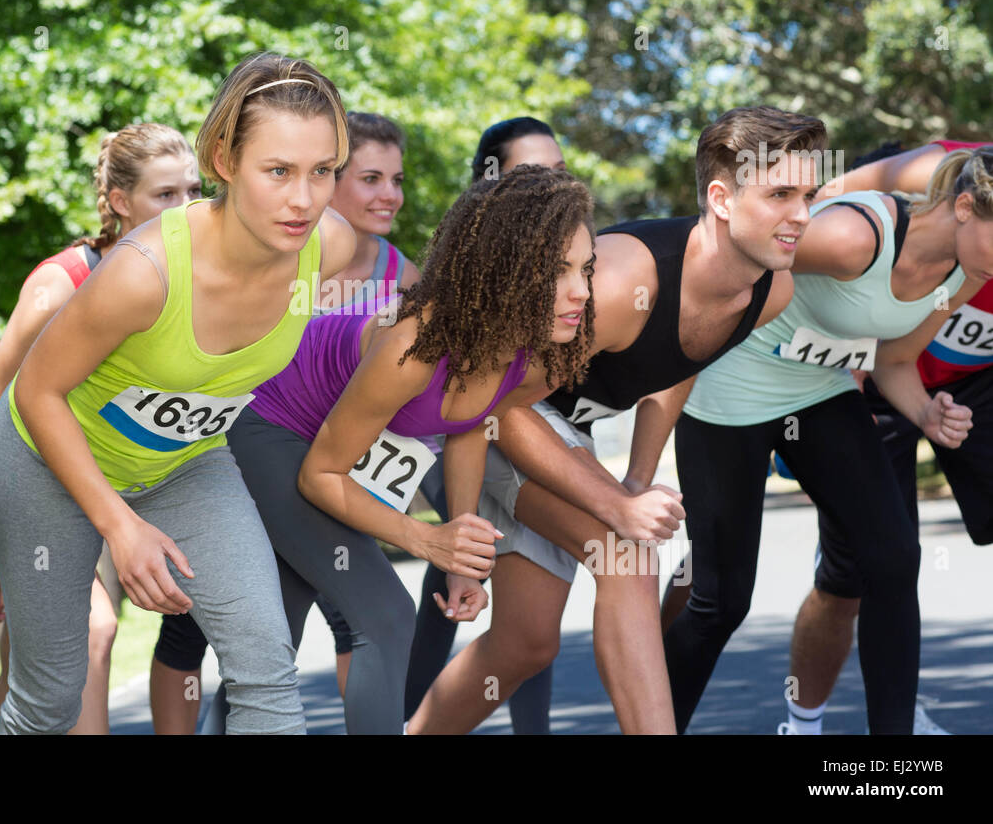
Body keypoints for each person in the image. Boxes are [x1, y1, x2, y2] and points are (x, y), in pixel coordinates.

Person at [408, 105, 824, 735]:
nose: (800, 214)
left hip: (552, 429)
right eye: (780, 194)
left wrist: (637, 476)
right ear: (721, 197)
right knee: (627, 552)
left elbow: (683, 360)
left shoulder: (770, 289)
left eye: (810, 194)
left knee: (525, 645)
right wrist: (615, 504)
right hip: (482, 418)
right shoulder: (624, 281)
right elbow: (489, 399)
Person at [0, 52, 355, 735]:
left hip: (185, 463)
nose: (304, 199)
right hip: (50, 460)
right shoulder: (144, 271)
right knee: (49, 700)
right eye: (278, 171)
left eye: (323, 171)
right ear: (223, 160)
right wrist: (119, 528)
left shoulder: (327, 246)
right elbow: (35, 392)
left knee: (266, 665)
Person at [201, 164, 598, 735]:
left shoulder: (536, 354)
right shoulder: (412, 343)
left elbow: (468, 425)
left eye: (584, 268)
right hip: (269, 425)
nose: (580, 291)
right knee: (384, 617)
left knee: (275, 640)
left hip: (334, 449)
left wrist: (462, 551)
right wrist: (424, 537)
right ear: (501, 268)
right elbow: (321, 476)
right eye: (557, 271)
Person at [663, 141, 993, 735]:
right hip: (732, 389)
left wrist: (926, 413)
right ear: (966, 207)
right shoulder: (852, 238)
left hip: (817, 392)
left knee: (893, 562)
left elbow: (895, 359)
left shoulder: (965, 272)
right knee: (720, 602)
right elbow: (717, 256)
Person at [153, 111, 424, 725]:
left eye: (396, 180)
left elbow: (417, 408)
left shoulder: (401, 276)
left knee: (287, 636)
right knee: (216, 633)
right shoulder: (284, 249)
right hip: (250, 441)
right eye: (371, 178)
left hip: (330, 458)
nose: (389, 195)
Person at [0, 124, 202, 735]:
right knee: (91, 631)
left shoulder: (193, 277)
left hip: (105, 477)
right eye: (165, 194)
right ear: (120, 202)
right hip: (25, 475)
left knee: (34, 677)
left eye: (195, 192)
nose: (187, 210)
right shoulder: (60, 284)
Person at [778, 139, 991, 734]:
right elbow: (815, 208)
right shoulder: (948, 168)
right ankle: (801, 721)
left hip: (973, 380)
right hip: (877, 369)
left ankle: (899, 713)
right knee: (857, 574)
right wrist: (835, 345)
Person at [404, 114, 568, 725]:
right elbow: (468, 406)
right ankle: (403, 714)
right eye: (532, 177)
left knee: (525, 589)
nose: (551, 190)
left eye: (559, 173)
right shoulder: (471, 280)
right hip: (458, 439)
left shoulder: (587, 267)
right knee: (472, 563)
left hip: (528, 438)